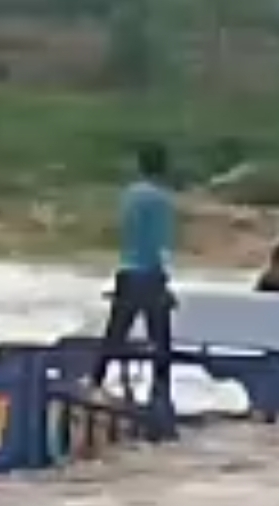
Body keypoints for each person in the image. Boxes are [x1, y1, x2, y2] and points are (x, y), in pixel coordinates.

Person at [86, 141, 176, 413]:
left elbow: (126, 231)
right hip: (150, 275)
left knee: (115, 334)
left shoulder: (129, 195)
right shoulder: (162, 199)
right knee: (160, 339)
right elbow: (160, 243)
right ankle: (160, 393)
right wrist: (165, 280)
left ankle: (95, 382)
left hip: (126, 270)